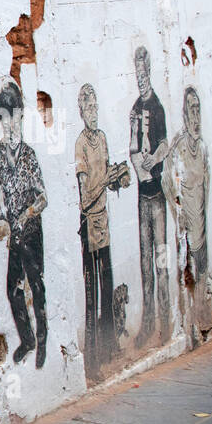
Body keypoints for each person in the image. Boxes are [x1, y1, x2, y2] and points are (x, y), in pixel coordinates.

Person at [0, 80, 48, 369]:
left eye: (9, 116)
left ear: (20, 116)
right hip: (14, 232)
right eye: (1, 118)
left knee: (36, 286)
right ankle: (28, 339)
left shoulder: (28, 155)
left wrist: (25, 216)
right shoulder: (1, 152)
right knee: (13, 288)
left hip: (32, 231)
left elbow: (43, 197)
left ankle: (44, 340)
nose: (5, 124)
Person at [74, 83, 130, 381]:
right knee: (93, 294)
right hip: (90, 226)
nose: (93, 112)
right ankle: (93, 358)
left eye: (95, 106)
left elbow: (107, 179)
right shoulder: (81, 144)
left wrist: (118, 178)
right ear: (81, 112)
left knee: (107, 289)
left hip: (105, 222)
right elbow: (85, 198)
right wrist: (103, 181)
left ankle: (109, 349)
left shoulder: (103, 139)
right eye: (88, 107)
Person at [129, 46, 171, 347]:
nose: (140, 78)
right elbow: (132, 147)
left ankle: (166, 321)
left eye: (144, 73)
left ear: (150, 71)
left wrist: (153, 160)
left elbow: (165, 144)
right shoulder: (134, 109)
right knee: (145, 262)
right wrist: (138, 160)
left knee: (161, 260)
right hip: (142, 195)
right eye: (137, 74)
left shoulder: (157, 108)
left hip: (157, 196)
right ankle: (148, 323)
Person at [167, 86, 210, 339]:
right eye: (191, 109)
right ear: (184, 114)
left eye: (198, 109)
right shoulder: (180, 147)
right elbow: (168, 180)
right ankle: (188, 329)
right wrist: (178, 211)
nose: (196, 115)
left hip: (201, 228)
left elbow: (208, 187)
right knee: (187, 277)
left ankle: (203, 321)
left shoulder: (203, 148)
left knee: (202, 275)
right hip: (186, 227)